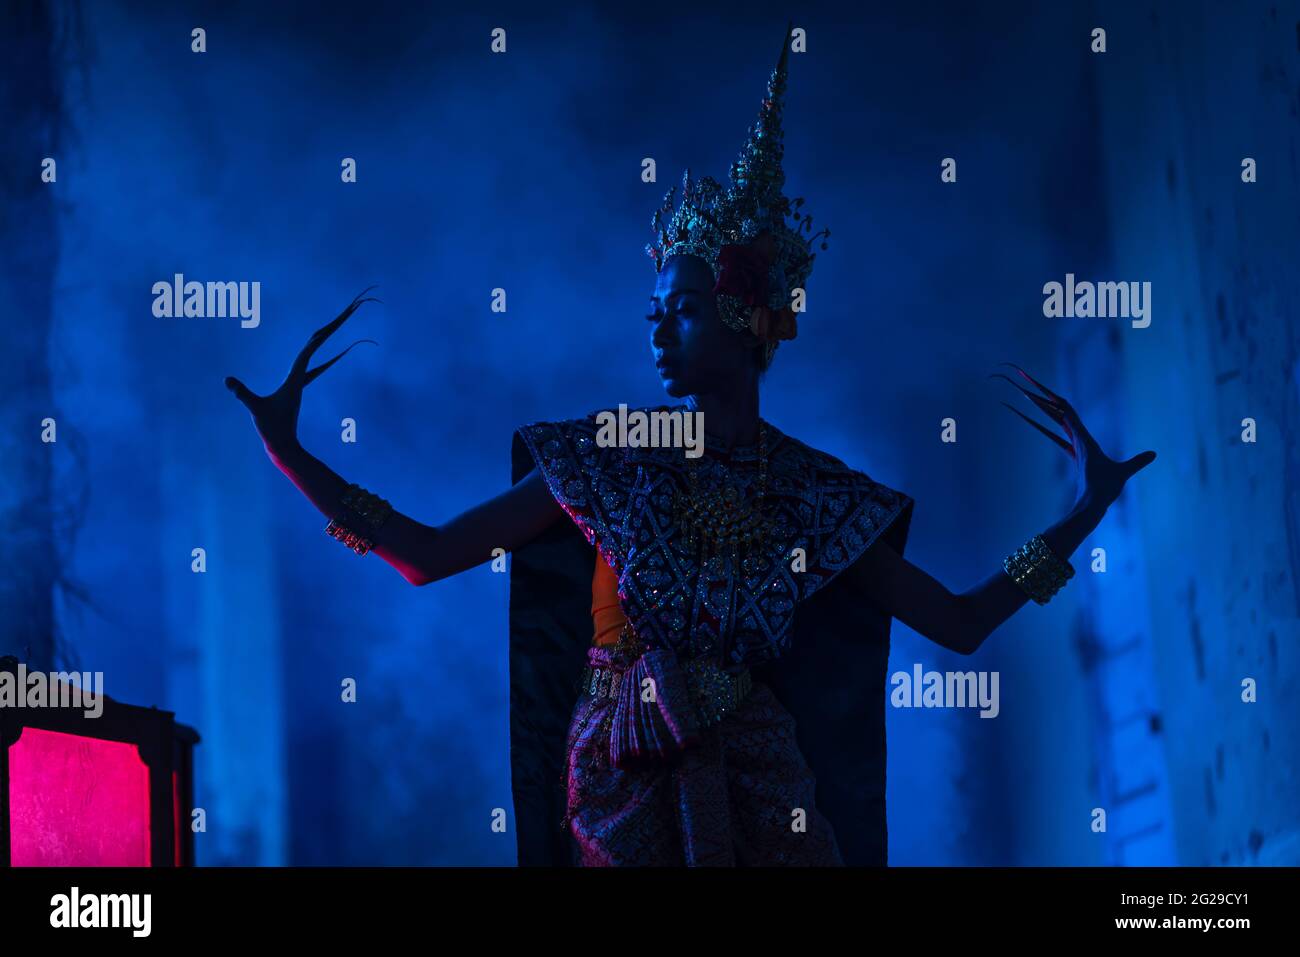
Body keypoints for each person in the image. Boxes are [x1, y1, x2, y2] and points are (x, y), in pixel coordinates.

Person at [225, 26, 1155, 866]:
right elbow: (428, 556)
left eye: (682, 310)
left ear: (747, 316)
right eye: (655, 312)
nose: (658, 330)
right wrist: (293, 459)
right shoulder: (611, 456)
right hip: (621, 790)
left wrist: (1082, 514)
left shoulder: (812, 492)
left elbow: (958, 623)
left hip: (760, 799)